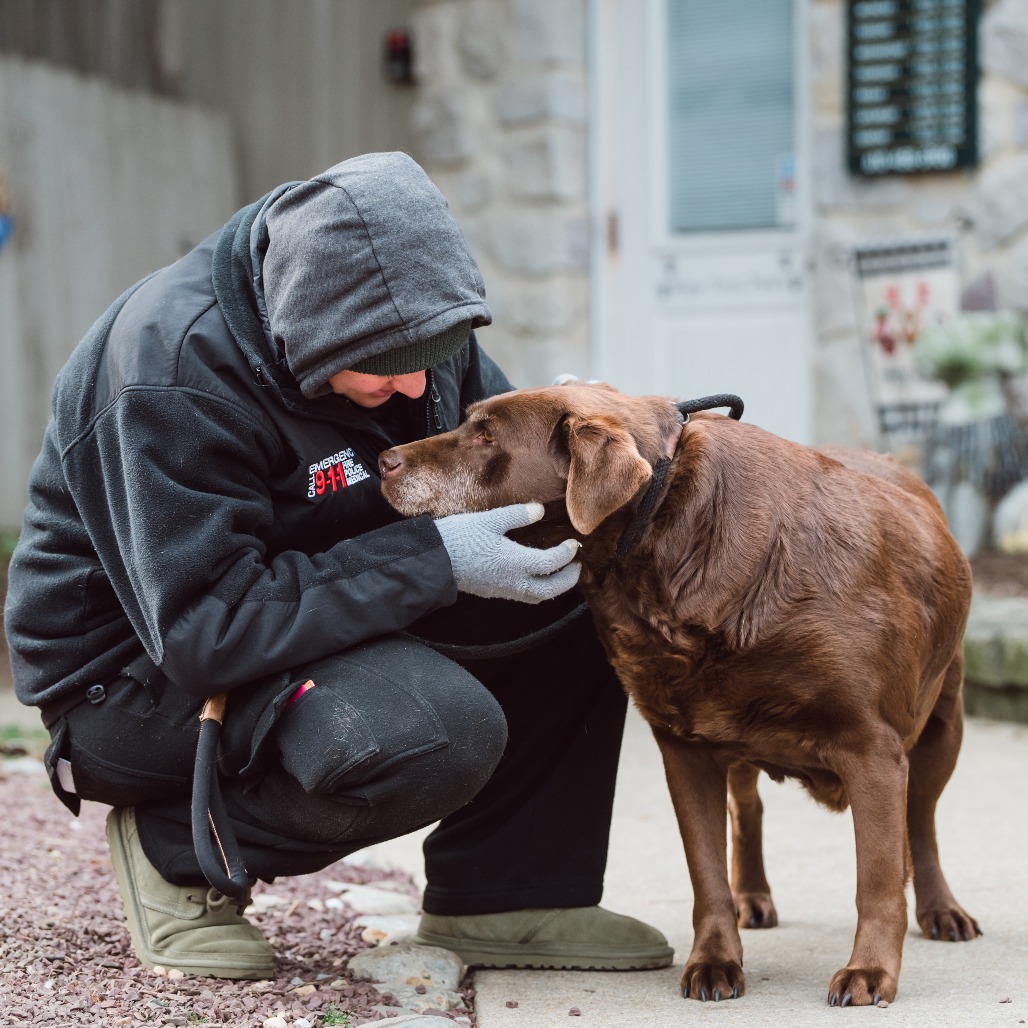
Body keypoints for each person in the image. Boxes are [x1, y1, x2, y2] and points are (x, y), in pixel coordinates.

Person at [3, 152, 672, 979]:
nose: (418, 385)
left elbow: (496, 488)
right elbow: (207, 629)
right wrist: (431, 561)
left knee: (578, 591)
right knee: (434, 731)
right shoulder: (170, 377)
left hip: (317, 605)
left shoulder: (411, 324)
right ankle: (176, 845)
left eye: (435, 353)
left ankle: (509, 890)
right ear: (305, 332)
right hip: (137, 681)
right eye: (386, 367)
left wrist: (577, 443)